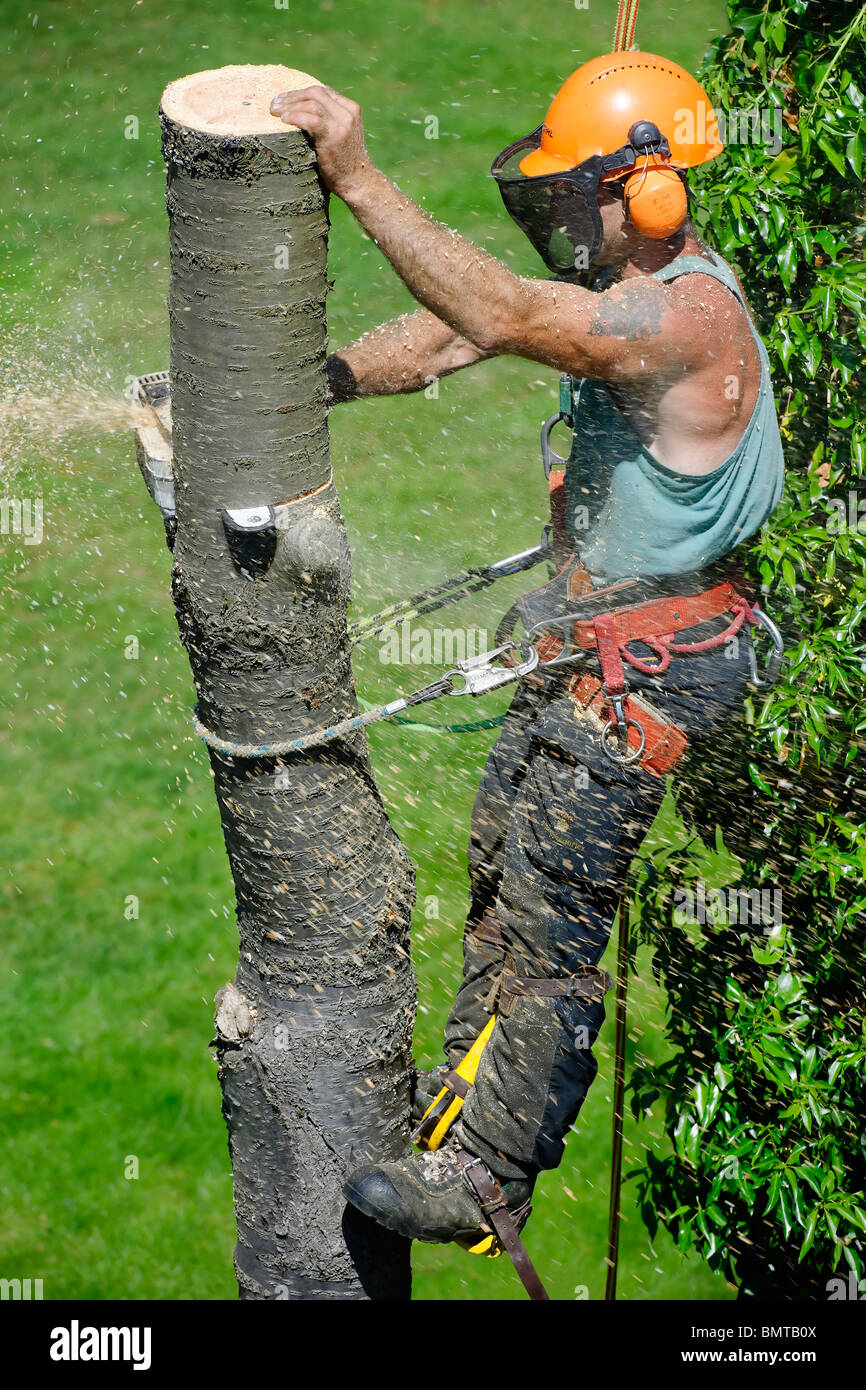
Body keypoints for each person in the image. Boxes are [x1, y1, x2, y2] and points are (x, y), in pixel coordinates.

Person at [271, 50, 784, 1288]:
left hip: (656, 668)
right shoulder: (620, 289)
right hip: (597, 642)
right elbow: (455, 335)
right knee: (501, 874)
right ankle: (457, 1114)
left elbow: (497, 312)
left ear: (649, 192)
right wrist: (308, 384)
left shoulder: (681, 315)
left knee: (553, 909)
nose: (556, 216)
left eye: (577, 195)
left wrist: (355, 175)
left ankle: (488, 1173)